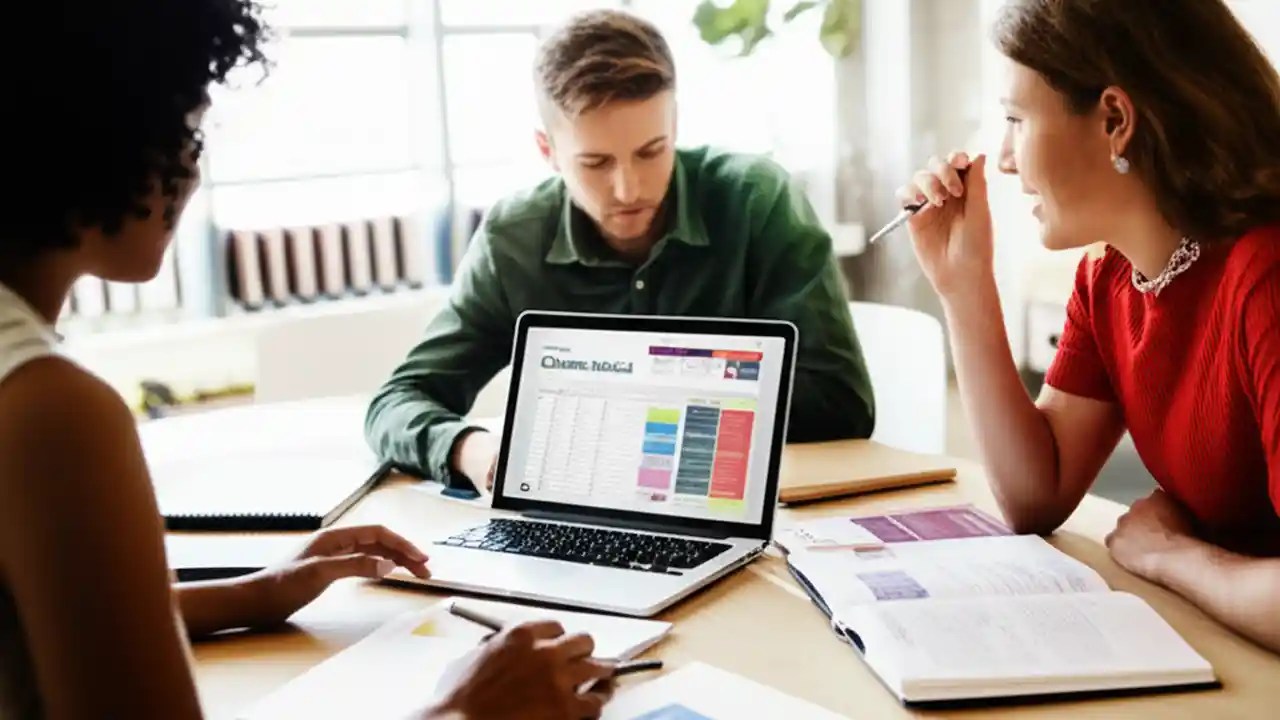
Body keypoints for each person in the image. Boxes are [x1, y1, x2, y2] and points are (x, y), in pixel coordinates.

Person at [0, 2, 613, 718]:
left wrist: (255, 591)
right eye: (188, 134)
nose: (195, 176)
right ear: (96, 129)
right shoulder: (49, 412)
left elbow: (47, 616)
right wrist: (462, 714)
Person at [900, 0, 1280, 652]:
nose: (1006, 158)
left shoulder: (1265, 274)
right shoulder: (1110, 278)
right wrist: (964, 287)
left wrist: (1169, 556)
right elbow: (1035, 495)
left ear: (1114, 120)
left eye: (1017, 120)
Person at [365, 9, 876, 494]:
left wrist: (622, 414)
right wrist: (470, 450)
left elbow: (840, 405)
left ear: (674, 125)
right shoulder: (513, 239)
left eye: (651, 151)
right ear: (549, 152)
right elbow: (397, 403)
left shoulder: (757, 202)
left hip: (739, 509)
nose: (628, 189)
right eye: (595, 162)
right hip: (575, 523)